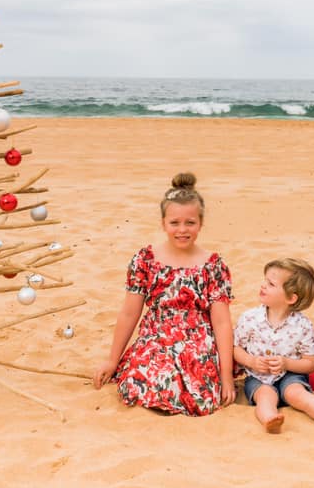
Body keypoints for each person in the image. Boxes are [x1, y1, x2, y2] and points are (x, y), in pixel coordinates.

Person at [92, 172, 235, 415]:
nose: (182, 230)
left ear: (200, 223)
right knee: (145, 381)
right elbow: (129, 313)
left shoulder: (212, 264)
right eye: (175, 223)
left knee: (199, 390)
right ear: (163, 223)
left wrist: (227, 376)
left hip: (197, 339)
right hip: (156, 336)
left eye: (190, 223)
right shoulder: (145, 259)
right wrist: (112, 360)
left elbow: (221, 322)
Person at [234, 258, 314, 436]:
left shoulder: (302, 325)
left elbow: (310, 363)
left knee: (298, 394)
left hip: (290, 375)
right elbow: (236, 349)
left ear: (291, 298)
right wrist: (251, 361)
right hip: (257, 376)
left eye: (271, 284)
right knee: (265, 397)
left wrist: (286, 364)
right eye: (265, 280)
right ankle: (270, 419)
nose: (263, 286)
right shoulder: (250, 318)